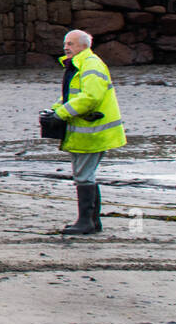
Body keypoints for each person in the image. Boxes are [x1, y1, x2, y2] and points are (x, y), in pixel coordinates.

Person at [42, 29, 124, 235]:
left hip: (92, 132)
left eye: (70, 43)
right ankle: (92, 221)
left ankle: (86, 221)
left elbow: (90, 98)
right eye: (65, 43)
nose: (66, 47)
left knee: (83, 176)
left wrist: (59, 115)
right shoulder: (82, 64)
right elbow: (72, 96)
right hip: (88, 132)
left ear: (84, 45)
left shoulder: (90, 64)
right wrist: (53, 110)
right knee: (86, 175)